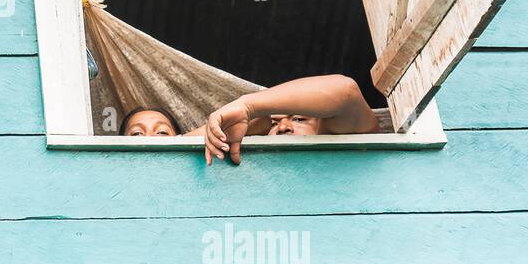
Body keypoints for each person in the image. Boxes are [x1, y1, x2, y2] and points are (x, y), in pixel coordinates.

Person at [118, 74, 379, 165]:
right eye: (275, 123)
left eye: (299, 119)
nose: (284, 126)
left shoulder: (340, 136)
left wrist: (248, 106)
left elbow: (345, 91)